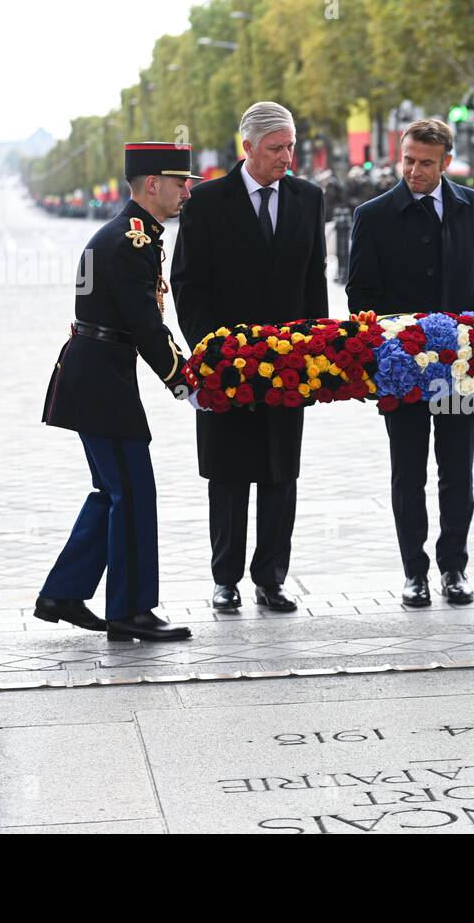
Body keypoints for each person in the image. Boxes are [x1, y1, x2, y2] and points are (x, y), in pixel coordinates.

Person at [38, 141, 199, 642]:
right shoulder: (131, 241)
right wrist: (184, 381)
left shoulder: (132, 233)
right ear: (152, 184)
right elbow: (147, 326)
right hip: (102, 380)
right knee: (131, 492)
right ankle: (130, 610)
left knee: (112, 491)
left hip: (97, 372)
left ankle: (63, 593)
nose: (186, 191)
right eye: (179, 182)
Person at [172, 101, 328, 614]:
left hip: (289, 365)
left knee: (281, 474)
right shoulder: (207, 202)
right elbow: (188, 284)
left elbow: (314, 280)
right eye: (276, 148)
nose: (287, 157)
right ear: (247, 149)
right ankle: (225, 578)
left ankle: (272, 577)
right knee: (229, 472)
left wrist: (317, 351)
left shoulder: (309, 198)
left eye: (291, 147)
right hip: (228, 365)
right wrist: (209, 353)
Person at [346, 118, 474, 608]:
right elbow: (360, 295)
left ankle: (454, 568)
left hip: (461, 369)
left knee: (457, 471)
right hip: (402, 371)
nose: (414, 170)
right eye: (408, 160)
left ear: (447, 163)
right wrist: (392, 348)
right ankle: (413, 572)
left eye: (426, 163)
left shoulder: (473, 208)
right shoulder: (373, 215)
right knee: (407, 471)